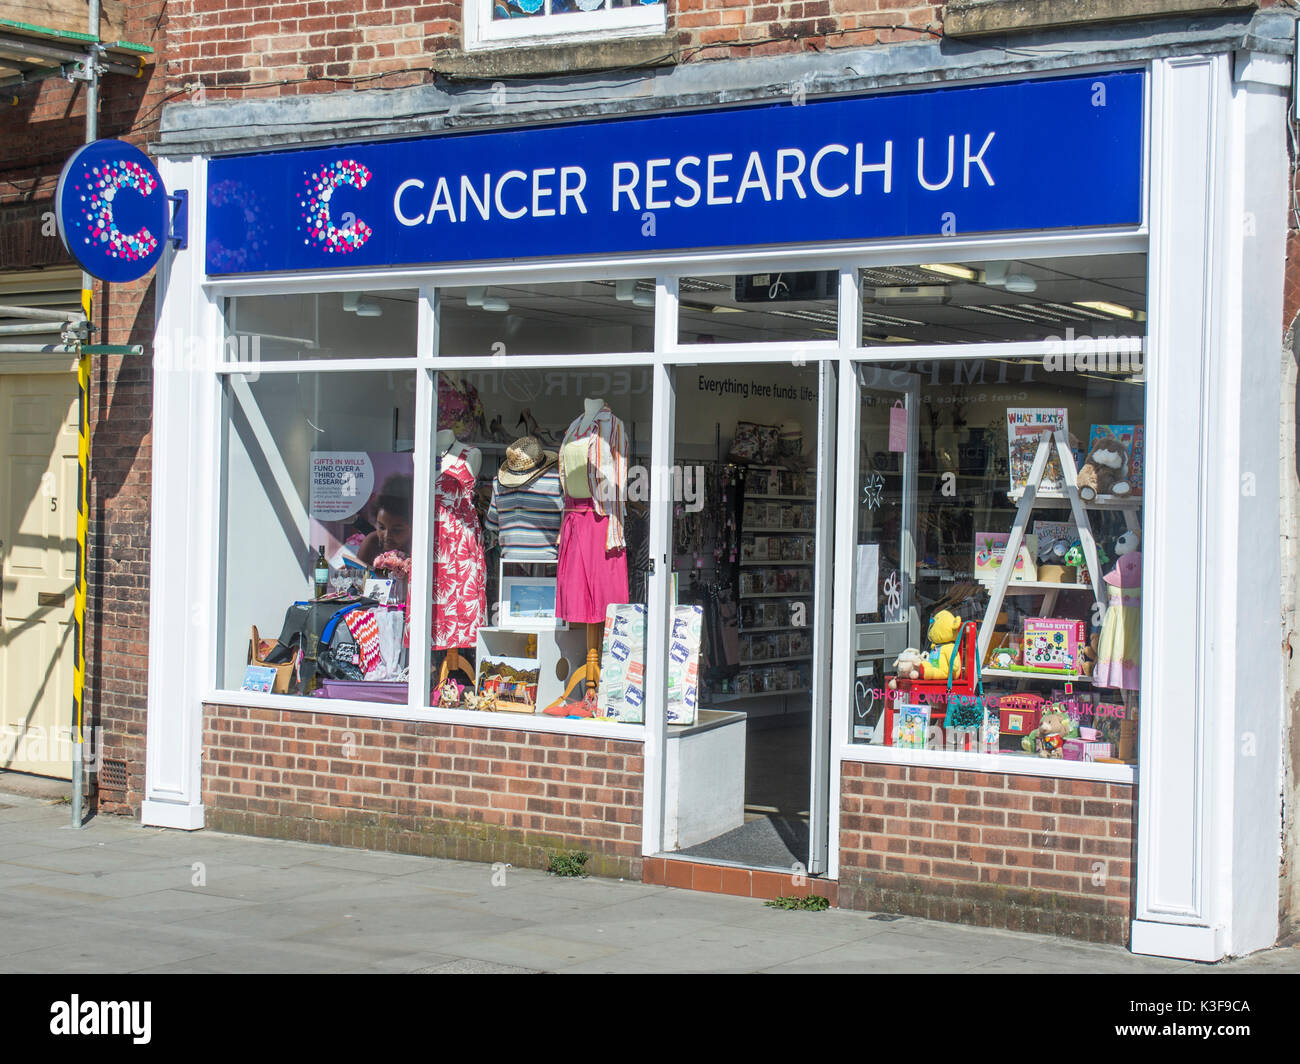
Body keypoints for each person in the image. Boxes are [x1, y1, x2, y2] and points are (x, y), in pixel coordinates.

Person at [357, 473, 413, 566]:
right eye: (381, 527)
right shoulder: (371, 543)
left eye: (396, 530)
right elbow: (358, 577)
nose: (387, 536)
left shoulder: (419, 550)